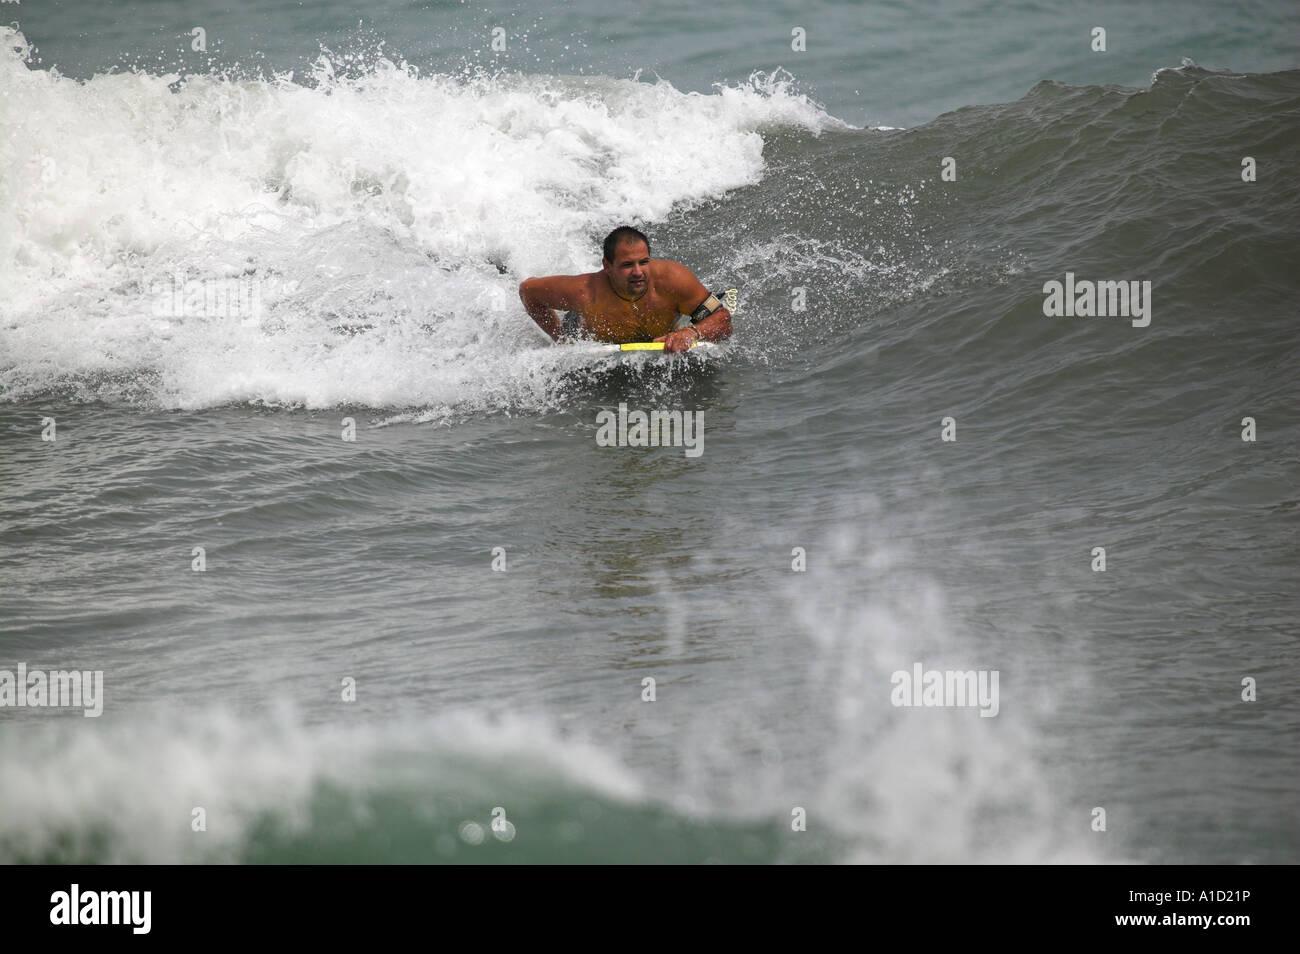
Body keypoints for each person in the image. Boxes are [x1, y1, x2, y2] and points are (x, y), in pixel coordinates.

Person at [518, 226, 732, 354]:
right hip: (590, 335)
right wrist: (561, 339)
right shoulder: (584, 293)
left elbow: (723, 320)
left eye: (644, 262)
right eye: (628, 265)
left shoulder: (673, 280)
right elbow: (528, 291)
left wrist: (691, 333)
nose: (638, 272)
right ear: (607, 266)